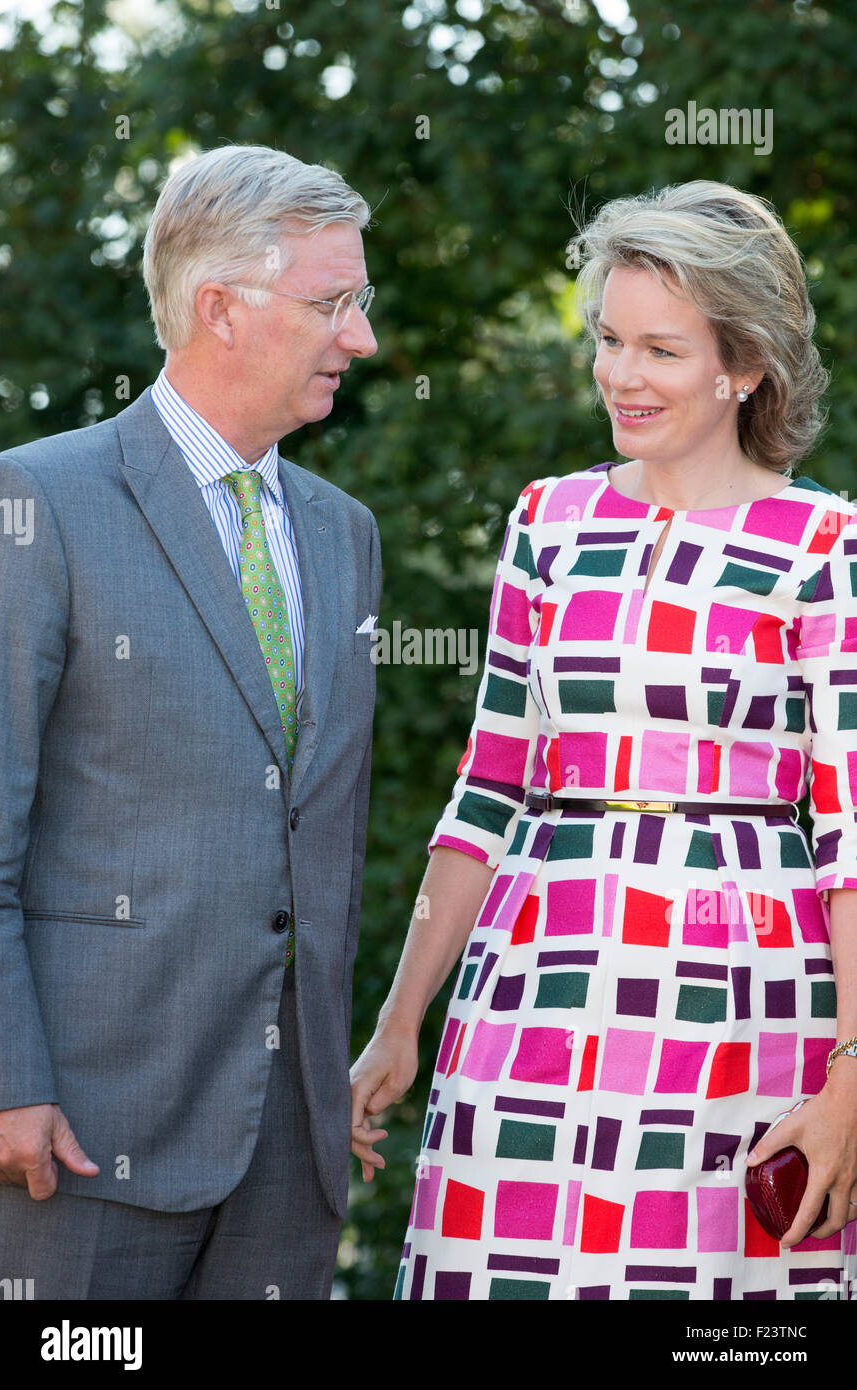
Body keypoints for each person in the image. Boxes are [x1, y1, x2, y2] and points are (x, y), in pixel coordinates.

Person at [351, 180, 857, 1301]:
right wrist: (397, 1027)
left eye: (660, 350)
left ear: (743, 366)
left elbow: (850, 840)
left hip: (740, 1001)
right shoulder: (548, 519)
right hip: (531, 984)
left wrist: (851, 1078)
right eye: (608, 340)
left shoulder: (822, 544)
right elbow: (484, 791)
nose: (620, 375)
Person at [0, 143, 380, 1300]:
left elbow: (324, 830)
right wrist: (4, 1078)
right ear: (220, 308)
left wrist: (324, 1086)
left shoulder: (342, 532)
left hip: (286, 1155)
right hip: (75, 1136)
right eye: (332, 302)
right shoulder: (36, 502)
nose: (358, 337)